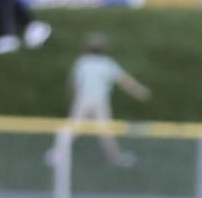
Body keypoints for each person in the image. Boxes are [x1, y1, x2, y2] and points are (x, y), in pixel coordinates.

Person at [46, 33, 151, 168]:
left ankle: (56, 154)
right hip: (99, 102)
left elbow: (74, 84)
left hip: (84, 100)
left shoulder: (83, 62)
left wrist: (73, 99)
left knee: (74, 128)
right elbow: (124, 80)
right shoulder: (105, 63)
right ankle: (115, 158)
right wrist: (139, 90)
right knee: (104, 130)